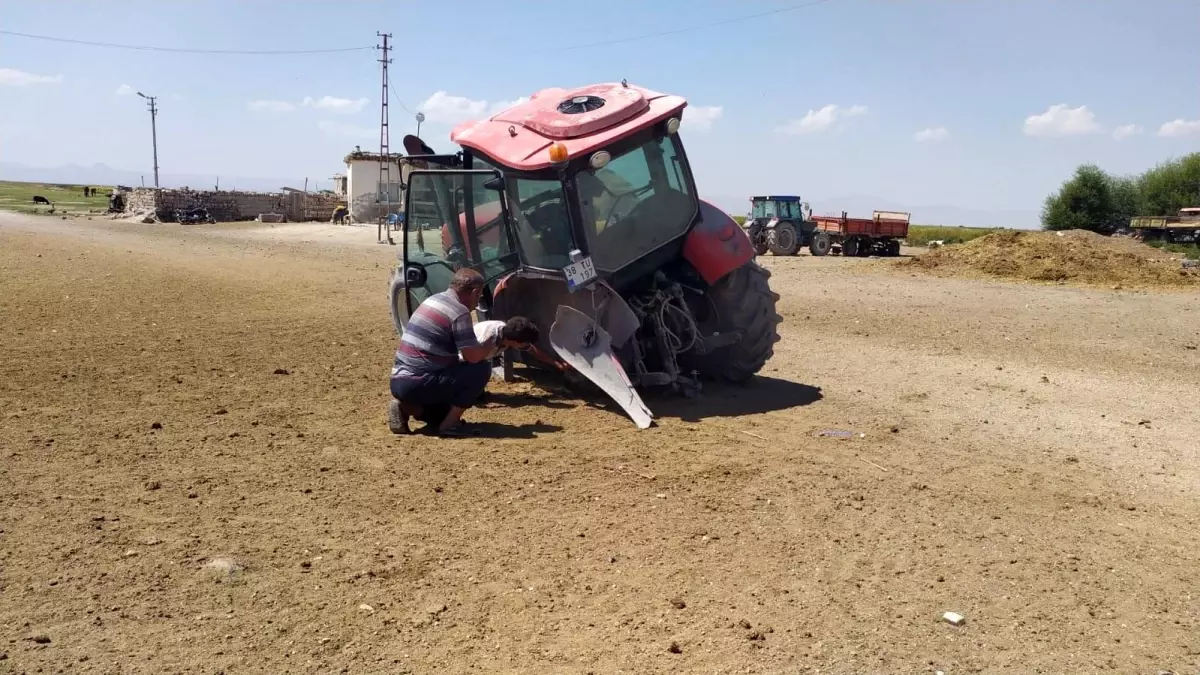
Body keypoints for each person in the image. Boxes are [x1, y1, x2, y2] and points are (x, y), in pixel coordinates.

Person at [387, 268, 495, 437]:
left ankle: (406, 406)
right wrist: (490, 343)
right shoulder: (459, 311)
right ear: (474, 292)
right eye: (479, 295)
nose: (477, 301)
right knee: (481, 369)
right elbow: (473, 357)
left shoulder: (433, 299)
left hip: (399, 380)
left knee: (442, 413)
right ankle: (450, 426)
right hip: (420, 381)